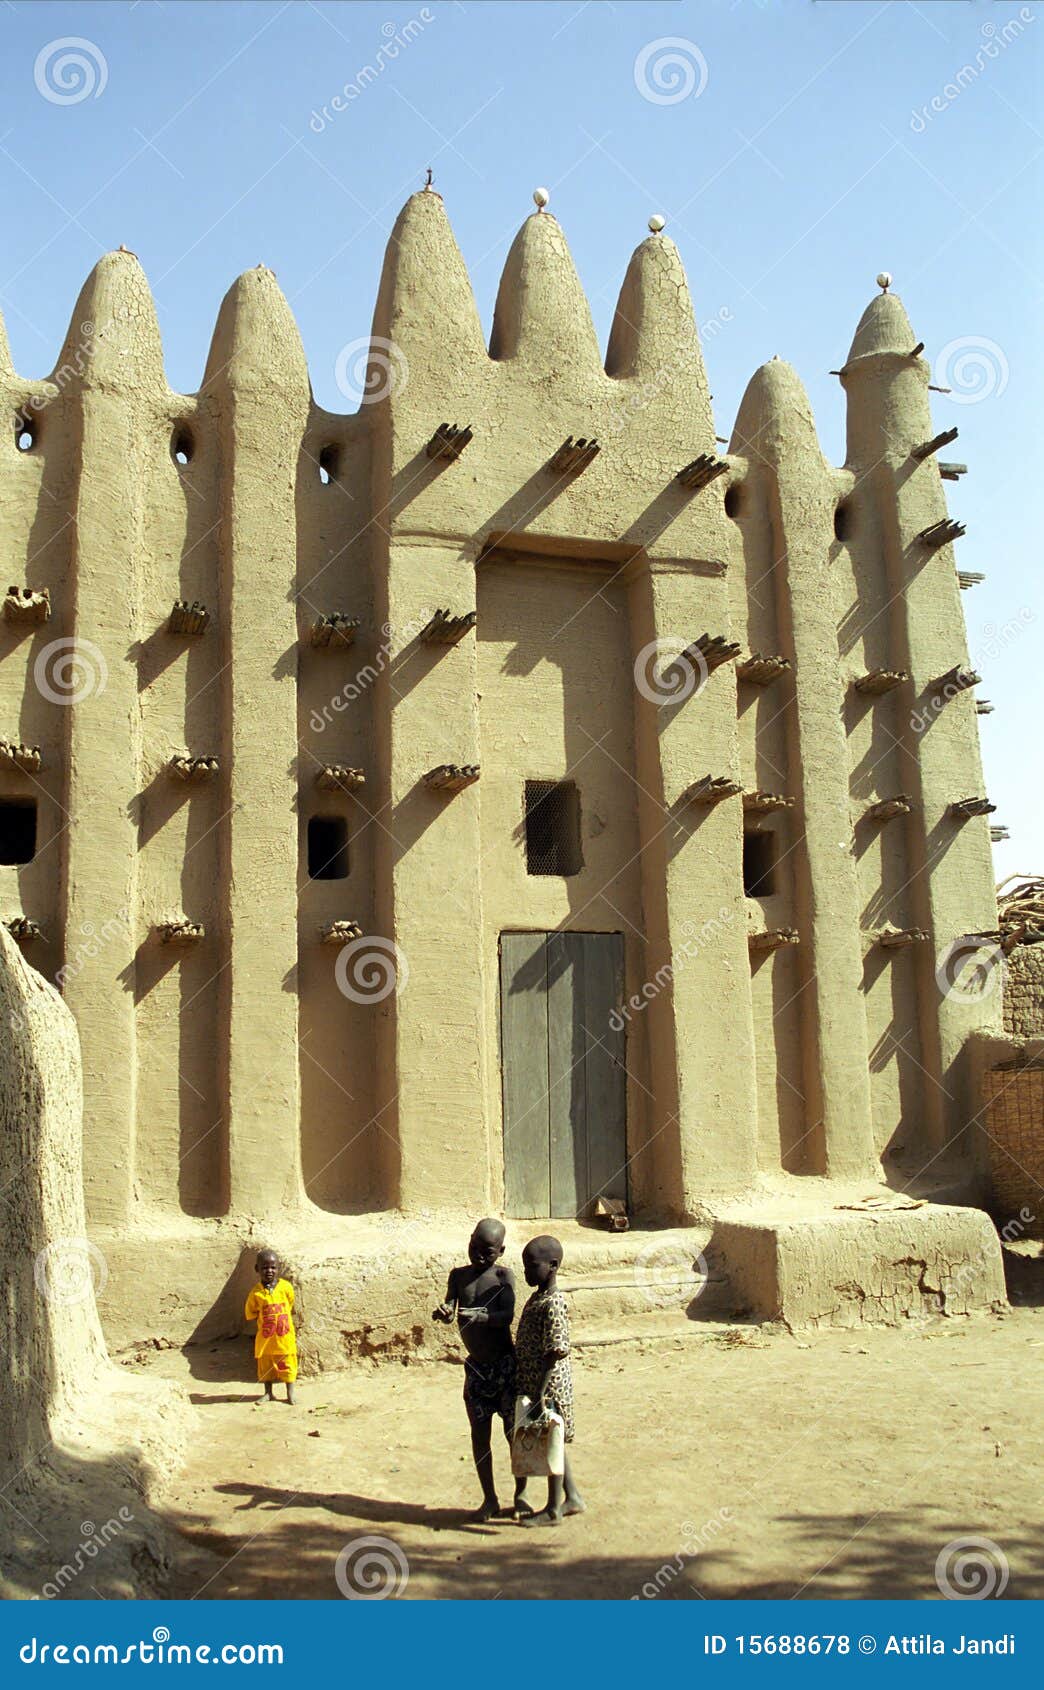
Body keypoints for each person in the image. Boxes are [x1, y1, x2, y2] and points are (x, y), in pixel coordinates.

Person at [433, 1219, 529, 1522]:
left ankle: (521, 1495)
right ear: (470, 1239)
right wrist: (445, 1312)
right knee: (479, 1436)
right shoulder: (458, 1277)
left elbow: (507, 1315)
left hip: (504, 1368)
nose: (478, 1255)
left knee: (513, 1434)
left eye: (487, 1252)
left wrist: (483, 1317)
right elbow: (451, 1310)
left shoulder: (503, 1277)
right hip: (476, 1371)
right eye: (475, 1247)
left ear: (500, 1251)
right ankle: (489, 1498)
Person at [514, 1235, 585, 1527]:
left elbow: (554, 1351)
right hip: (538, 1384)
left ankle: (553, 1509)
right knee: (554, 1442)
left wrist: (541, 1393)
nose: (527, 1273)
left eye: (532, 1266)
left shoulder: (553, 1302)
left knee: (550, 1444)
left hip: (549, 1386)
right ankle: (573, 1497)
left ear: (553, 1266)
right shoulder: (540, 1295)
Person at [244, 1249, 297, 1404]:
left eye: (273, 1267)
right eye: (265, 1268)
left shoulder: (286, 1287)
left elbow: (290, 1303)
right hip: (266, 1338)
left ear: (278, 1268)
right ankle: (268, 1393)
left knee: (288, 1364)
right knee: (265, 1365)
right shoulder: (255, 1293)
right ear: (257, 1269)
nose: (269, 1271)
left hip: (284, 1338)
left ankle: (290, 1393)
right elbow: (251, 1313)